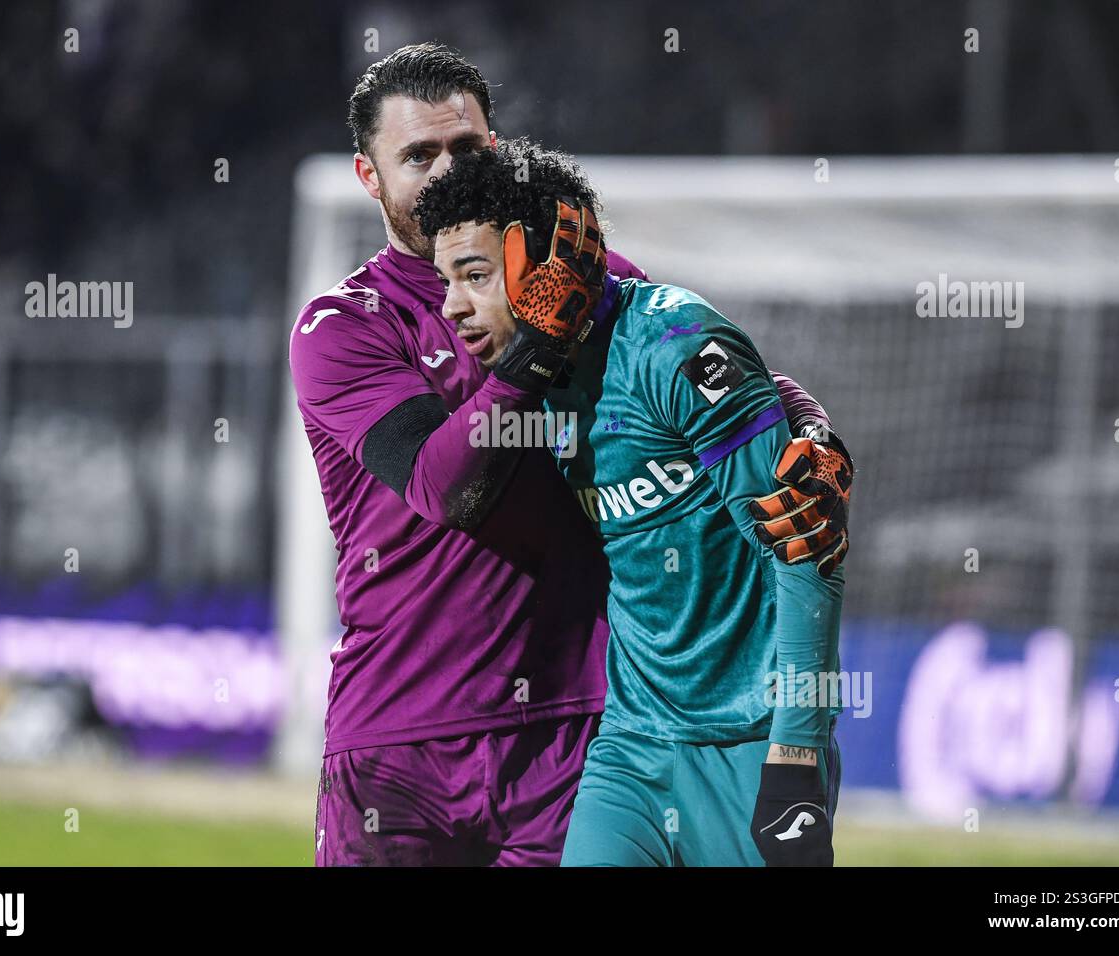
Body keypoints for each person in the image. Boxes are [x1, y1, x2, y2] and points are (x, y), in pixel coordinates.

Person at [289, 43, 849, 866]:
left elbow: (698, 376)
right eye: (417, 155)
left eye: (466, 149)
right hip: (400, 735)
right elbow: (448, 488)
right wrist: (531, 357)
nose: (445, 171)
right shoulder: (345, 327)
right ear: (368, 176)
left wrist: (807, 426)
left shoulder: (584, 285)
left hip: (572, 737)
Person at [415, 140, 850, 866]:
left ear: (543, 266)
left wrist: (798, 753)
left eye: (475, 275)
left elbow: (807, 545)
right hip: (631, 747)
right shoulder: (526, 386)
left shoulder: (675, 344)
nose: (452, 306)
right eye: (445, 280)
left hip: (750, 745)